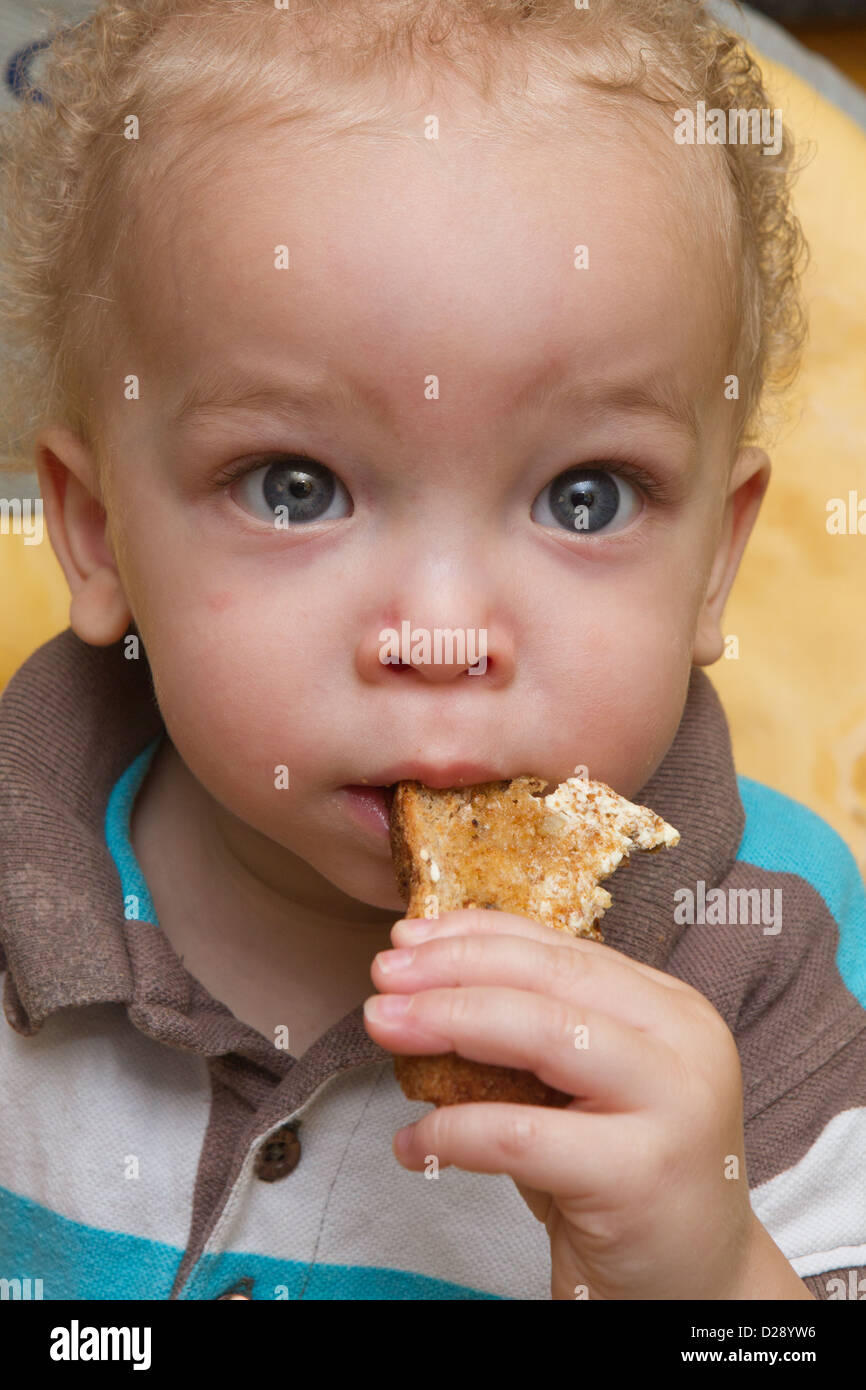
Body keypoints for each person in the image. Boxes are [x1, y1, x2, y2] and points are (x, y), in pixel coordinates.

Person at [0, 0, 862, 1300]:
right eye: (294, 486)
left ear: (715, 564)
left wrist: (714, 1268)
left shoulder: (770, 947)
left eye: (587, 496)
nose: (442, 632)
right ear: (100, 533)